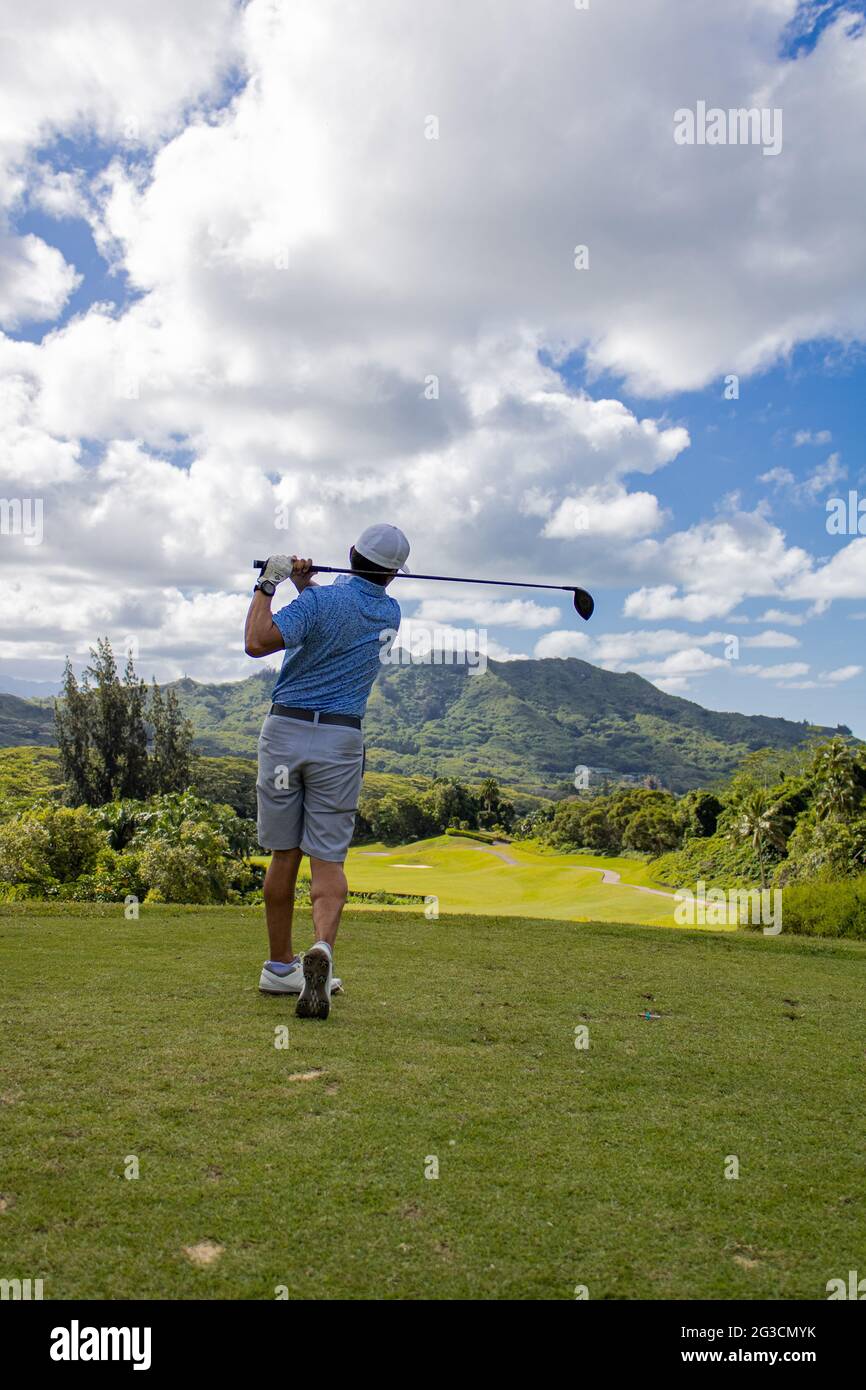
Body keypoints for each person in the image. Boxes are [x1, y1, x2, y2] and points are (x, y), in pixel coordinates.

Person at [243, 523, 410, 1019]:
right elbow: (338, 613)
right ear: (393, 576)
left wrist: (269, 584)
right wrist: (305, 585)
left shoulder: (319, 605)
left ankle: (278, 967)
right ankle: (321, 950)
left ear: (351, 553)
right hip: (340, 741)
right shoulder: (388, 612)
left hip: (286, 733)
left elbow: (257, 641)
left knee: (284, 854)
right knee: (328, 860)